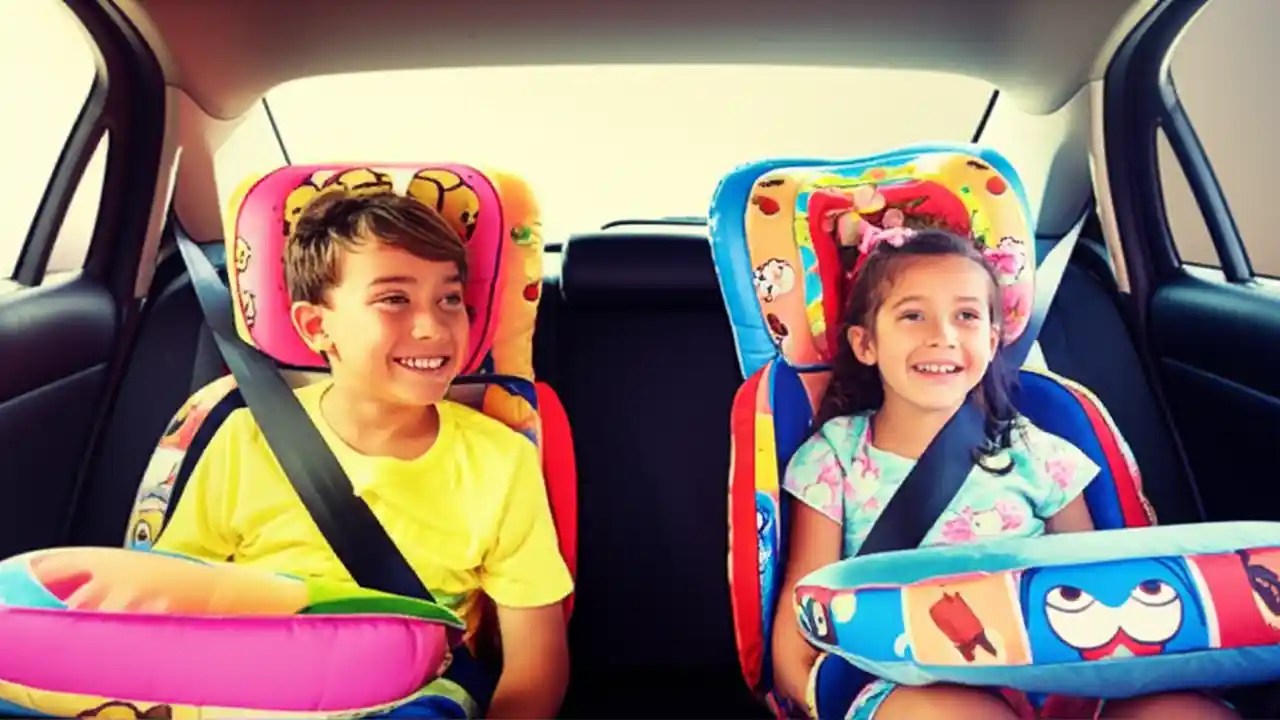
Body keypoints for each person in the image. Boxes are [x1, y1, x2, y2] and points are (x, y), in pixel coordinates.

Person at [769, 226, 1237, 719]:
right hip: (913, 686)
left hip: (1059, 675)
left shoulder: (1039, 451)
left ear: (992, 340)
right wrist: (810, 694)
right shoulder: (836, 457)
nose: (942, 336)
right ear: (865, 344)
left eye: (966, 316)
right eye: (913, 315)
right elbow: (802, 614)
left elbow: (1090, 576)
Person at [154, 190, 573, 718]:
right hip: (249, 685)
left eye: (450, 299)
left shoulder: (499, 459)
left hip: (408, 694)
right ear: (315, 326)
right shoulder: (245, 439)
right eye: (394, 299)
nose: (433, 326)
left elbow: (537, 665)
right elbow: (172, 600)